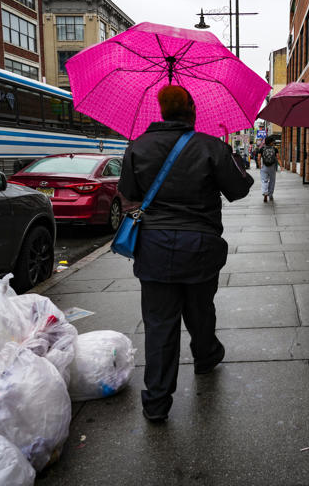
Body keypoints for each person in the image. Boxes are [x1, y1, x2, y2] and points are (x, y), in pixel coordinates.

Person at [118, 85, 254, 422]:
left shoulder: (138, 148)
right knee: (200, 310)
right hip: (200, 248)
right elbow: (240, 189)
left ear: (162, 112)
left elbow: (129, 198)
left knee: (160, 325)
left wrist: (149, 219)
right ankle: (206, 355)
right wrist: (230, 153)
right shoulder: (210, 147)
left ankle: (156, 402)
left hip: (153, 248)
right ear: (191, 110)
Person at [259, 135, 279, 202]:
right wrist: (281, 166)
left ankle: (265, 193)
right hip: (272, 167)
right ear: (271, 142)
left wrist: (260, 166)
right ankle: (270, 195)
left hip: (264, 167)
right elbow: (277, 158)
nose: (273, 142)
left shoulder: (262, 149)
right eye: (272, 141)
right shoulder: (275, 149)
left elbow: (258, 158)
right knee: (272, 181)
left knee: (264, 180)